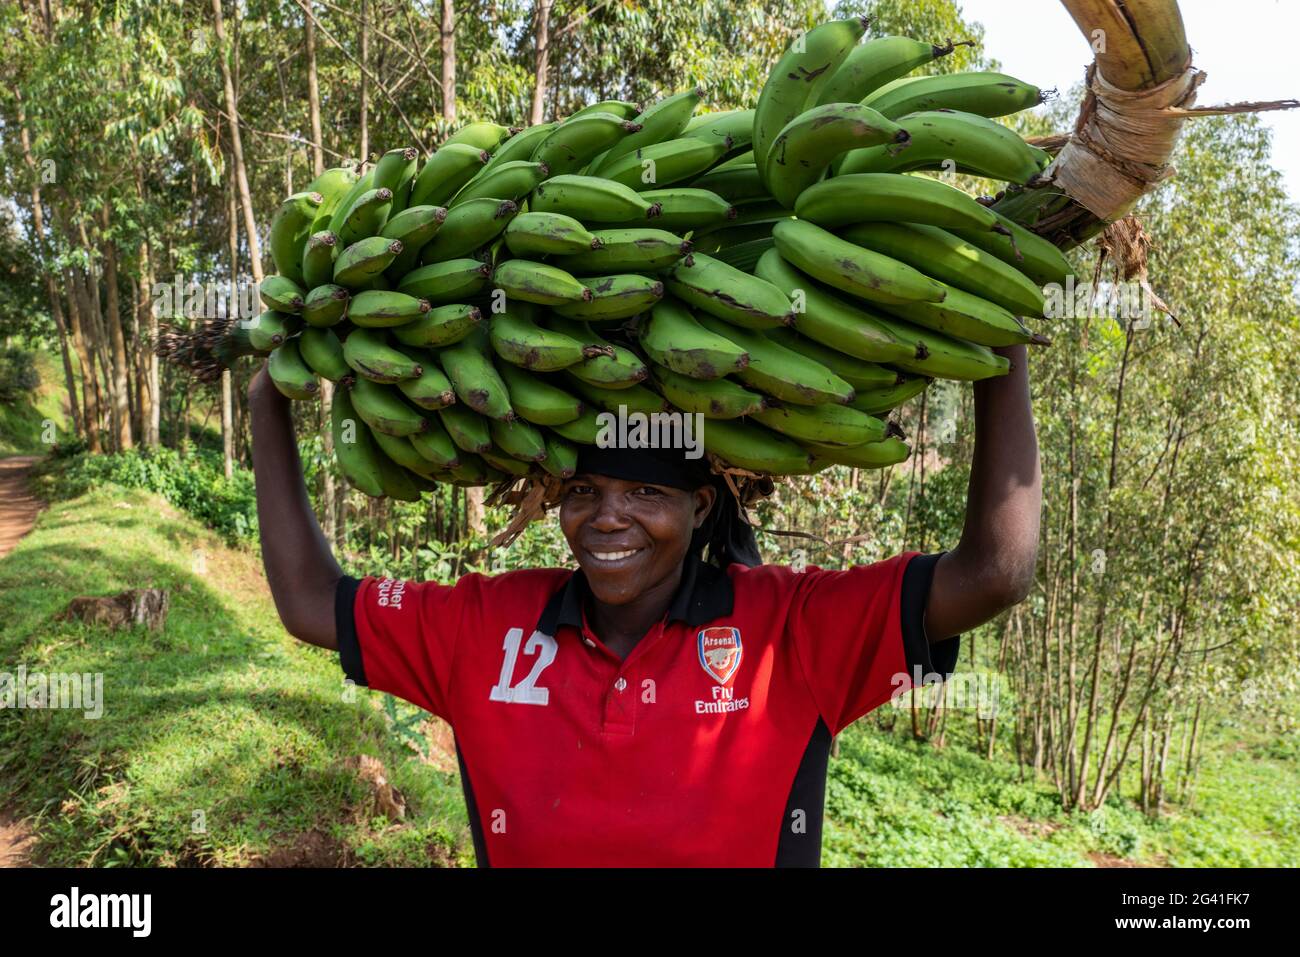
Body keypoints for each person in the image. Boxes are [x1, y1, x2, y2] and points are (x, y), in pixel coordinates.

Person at [248, 341, 1040, 867]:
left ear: (700, 507)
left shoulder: (789, 630)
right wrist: (267, 405)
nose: (608, 517)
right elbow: (312, 600)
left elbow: (992, 572)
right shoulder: (487, 627)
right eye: (585, 490)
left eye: (647, 492)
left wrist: (996, 353)